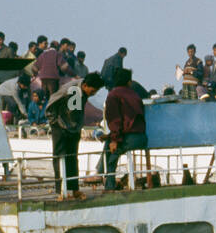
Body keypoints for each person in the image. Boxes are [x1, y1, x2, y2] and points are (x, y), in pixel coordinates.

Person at [46, 72, 101, 200]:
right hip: (62, 126)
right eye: (92, 91)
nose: (93, 94)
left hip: (71, 127)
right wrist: (56, 123)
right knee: (61, 157)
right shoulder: (75, 91)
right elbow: (72, 114)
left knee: (72, 157)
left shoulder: (83, 86)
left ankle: (74, 189)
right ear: (86, 85)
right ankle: (62, 190)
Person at [103, 68, 146, 190]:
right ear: (129, 82)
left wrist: (114, 139)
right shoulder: (135, 94)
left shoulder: (113, 95)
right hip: (142, 137)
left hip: (129, 138)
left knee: (110, 153)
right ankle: (102, 175)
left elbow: (115, 120)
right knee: (108, 144)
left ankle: (109, 185)